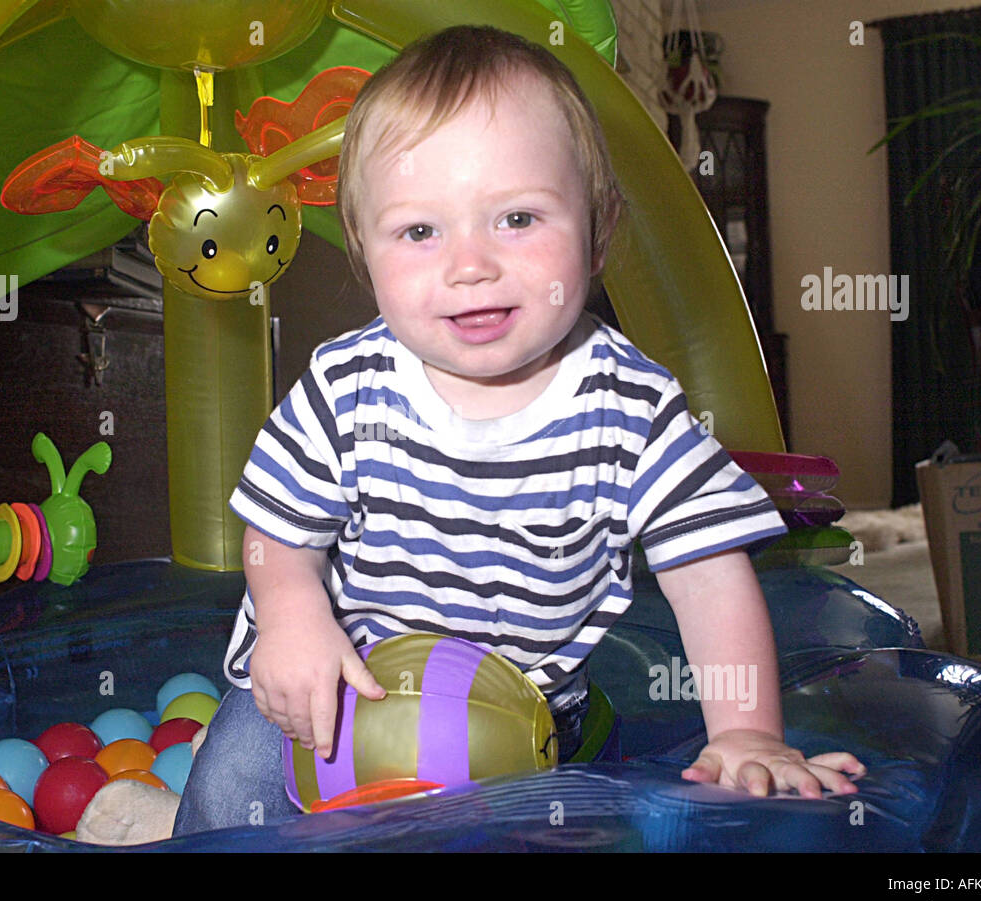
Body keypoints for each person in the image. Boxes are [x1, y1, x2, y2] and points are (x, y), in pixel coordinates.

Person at [158, 24, 865, 837]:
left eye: (518, 219)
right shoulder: (347, 386)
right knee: (231, 787)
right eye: (420, 232)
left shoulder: (631, 409)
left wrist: (745, 730)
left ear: (599, 231)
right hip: (334, 694)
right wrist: (291, 619)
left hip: (518, 717)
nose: (470, 265)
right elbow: (275, 527)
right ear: (364, 251)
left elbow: (709, 573)